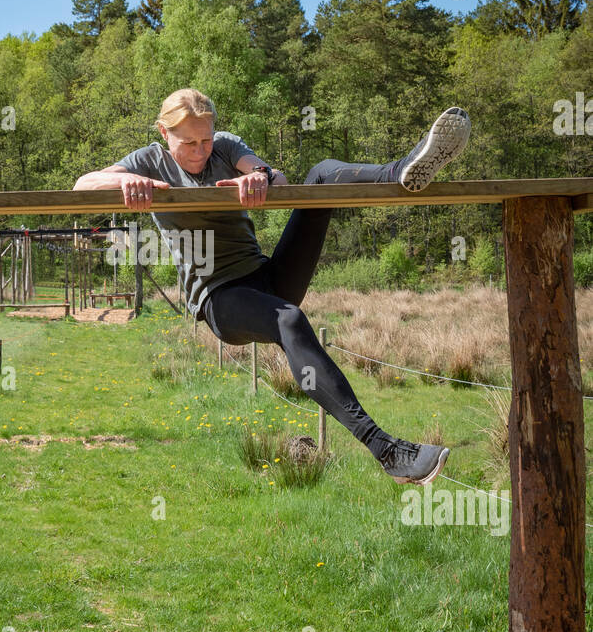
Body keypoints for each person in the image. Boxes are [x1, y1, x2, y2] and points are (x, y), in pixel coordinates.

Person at [72, 88, 471, 485]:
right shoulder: (150, 161)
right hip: (219, 299)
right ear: (164, 133)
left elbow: (274, 175)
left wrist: (260, 178)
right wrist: (131, 182)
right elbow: (82, 186)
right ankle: (386, 450)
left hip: (266, 278)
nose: (199, 150)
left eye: (206, 139)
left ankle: (399, 170)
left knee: (323, 175)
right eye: (188, 142)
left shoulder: (225, 148)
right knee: (290, 320)